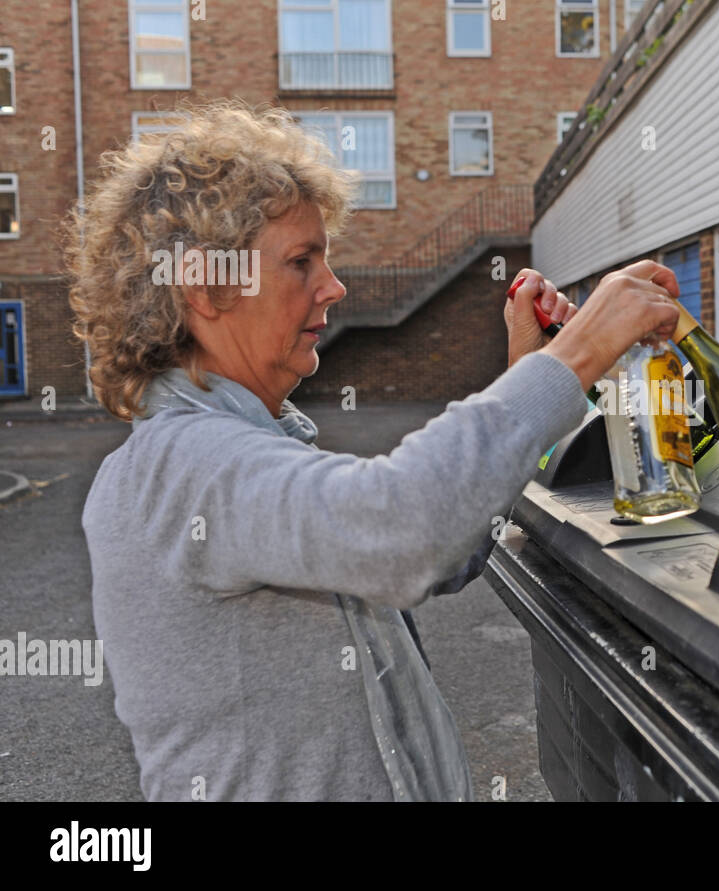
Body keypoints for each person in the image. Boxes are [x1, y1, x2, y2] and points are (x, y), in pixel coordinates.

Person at [68, 100, 681, 801]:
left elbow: (440, 551)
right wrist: (577, 353)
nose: (334, 287)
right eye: (302, 261)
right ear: (207, 286)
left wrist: (524, 374)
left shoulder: (249, 445)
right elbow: (406, 529)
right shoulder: (180, 469)